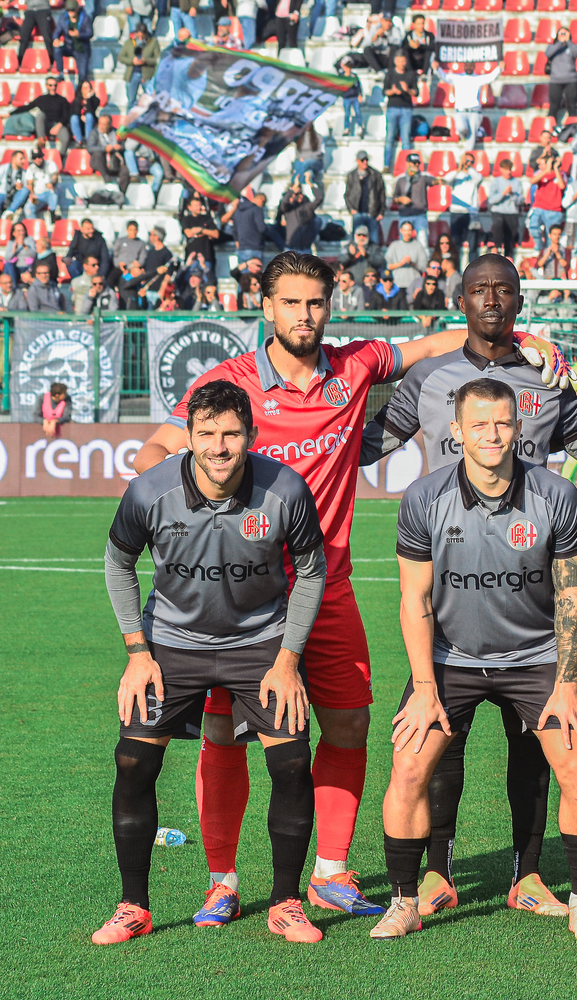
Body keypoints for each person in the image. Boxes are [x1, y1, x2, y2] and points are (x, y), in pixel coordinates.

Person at [130, 252, 476, 927]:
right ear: (266, 307)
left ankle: (330, 873)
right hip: (240, 605)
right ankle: (222, 880)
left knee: (348, 723)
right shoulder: (229, 382)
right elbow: (153, 453)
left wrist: (526, 339)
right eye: (291, 303)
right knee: (226, 735)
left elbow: (434, 343)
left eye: (316, 302)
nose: (306, 315)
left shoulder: (356, 366)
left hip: (328, 590)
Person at [367, 376, 577, 942]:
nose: (492, 434)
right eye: (479, 424)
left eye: (503, 423)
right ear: (456, 432)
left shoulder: (557, 495)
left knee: (576, 766)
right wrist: (425, 687)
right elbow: (414, 601)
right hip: (451, 659)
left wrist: (567, 682)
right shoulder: (425, 497)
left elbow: (572, 594)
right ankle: (404, 901)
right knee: (407, 766)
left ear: (520, 427)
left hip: (536, 657)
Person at [94, 379, 328, 946]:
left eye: (231, 433)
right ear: (189, 438)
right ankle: (134, 906)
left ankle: (286, 902)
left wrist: (288, 659)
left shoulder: (286, 490)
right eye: (207, 434)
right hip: (171, 644)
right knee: (132, 761)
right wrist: (136, 652)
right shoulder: (149, 491)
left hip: (260, 646)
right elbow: (117, 563)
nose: (220, 446)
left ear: (251, 434)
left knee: (293, 762)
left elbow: (312, 571)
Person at [383, 51, 418, 170]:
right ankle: (387, 165)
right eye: (399, 60)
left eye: (403, 60)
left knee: (406, 139)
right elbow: (385, 91)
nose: (402, 63)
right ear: (395, 61)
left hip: (406, 109)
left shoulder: (410, 75)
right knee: (389, 138)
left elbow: (415, 92)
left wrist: (406, 90)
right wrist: (393, 92)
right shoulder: (390, 74)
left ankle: (406, 165)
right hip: (392, 108)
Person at [343, 151, 387, 247]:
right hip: (357, 212)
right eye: (363, 160)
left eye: (366, 160)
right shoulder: (352, 175)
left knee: (374, 241)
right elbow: (347, 194)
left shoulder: (376, 175)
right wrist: (351, 209)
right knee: (356, 242)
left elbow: (382, 194)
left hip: (372, 213)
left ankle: (374, 261)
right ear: (357, 161)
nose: (365, 162)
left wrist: (381, 212)